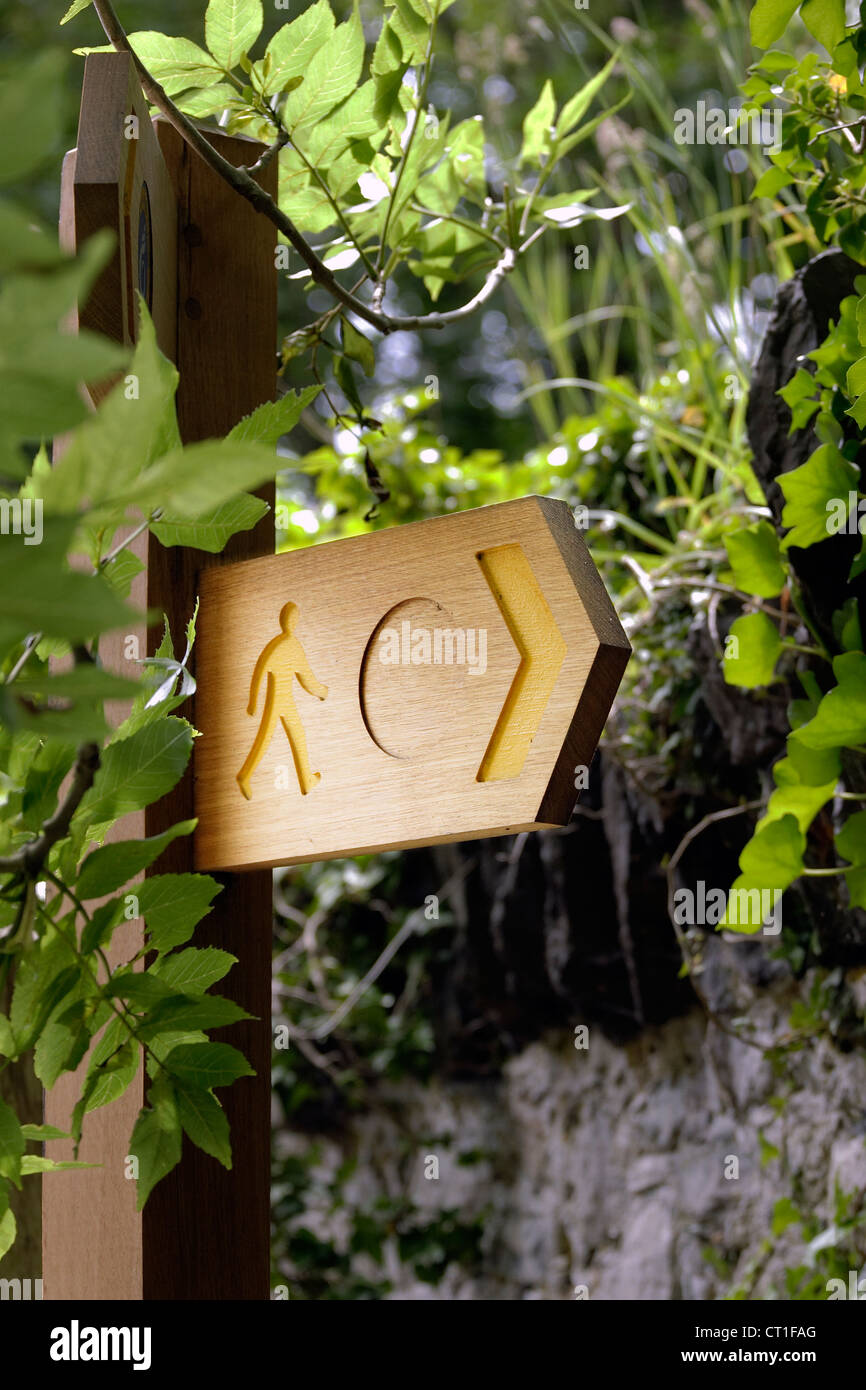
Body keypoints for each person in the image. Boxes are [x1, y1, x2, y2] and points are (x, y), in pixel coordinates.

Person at [236, 601, 328, 800]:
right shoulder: (289, 646)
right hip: (279, 702)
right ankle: (246, 775)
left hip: (283, 702)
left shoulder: (281, 646)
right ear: (292, 621)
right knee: (267, 740)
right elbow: (306, 678)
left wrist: (254, 702)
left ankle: (306, 779)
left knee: (295, 736)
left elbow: (263, 672)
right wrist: (322, 692)